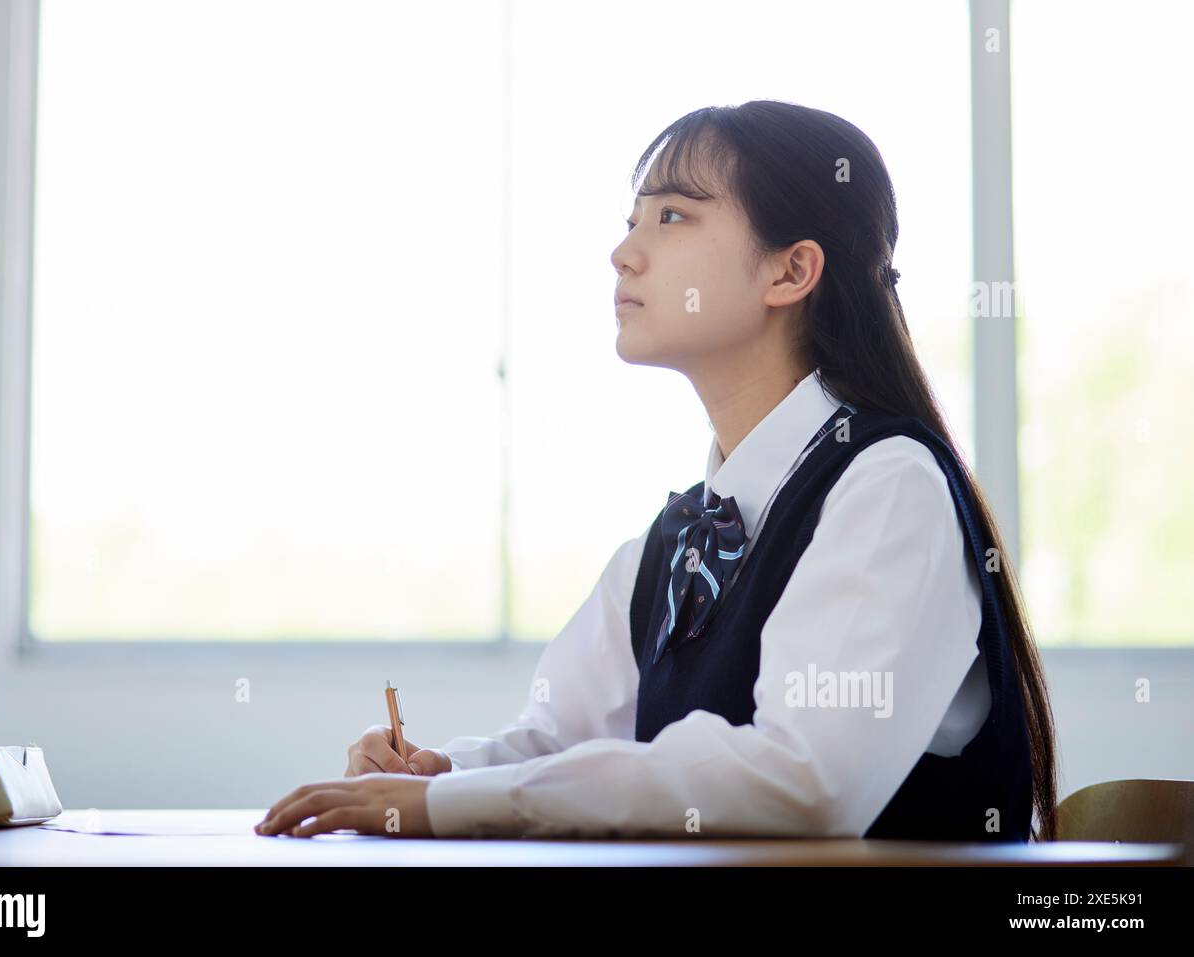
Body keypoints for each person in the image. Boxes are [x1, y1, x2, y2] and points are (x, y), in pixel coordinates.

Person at [256, 100, 1058, 842]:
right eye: (633, 218)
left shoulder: (889, 488)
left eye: (672, 215)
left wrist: (442, 805)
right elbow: (554, 740)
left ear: (791, 271)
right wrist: (438, 771)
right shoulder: (673, 541)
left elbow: (805, 782)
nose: (623, 252)